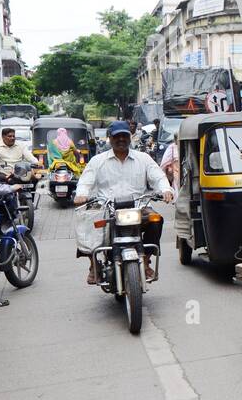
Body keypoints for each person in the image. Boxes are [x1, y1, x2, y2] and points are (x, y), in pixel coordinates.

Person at [74, 121, 173, 284]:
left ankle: (146, 260)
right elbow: (85, 182)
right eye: (117, 136)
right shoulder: (97, 161)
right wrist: (81, 195)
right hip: (107, 209)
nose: (121, 139)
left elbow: (158, 176)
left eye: (124, 135)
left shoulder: (144, 159)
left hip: (138, 208)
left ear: (130, 137)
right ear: (110, 139)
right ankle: (93, 265)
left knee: (156, 220)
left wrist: (165, 190)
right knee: (85, 223)